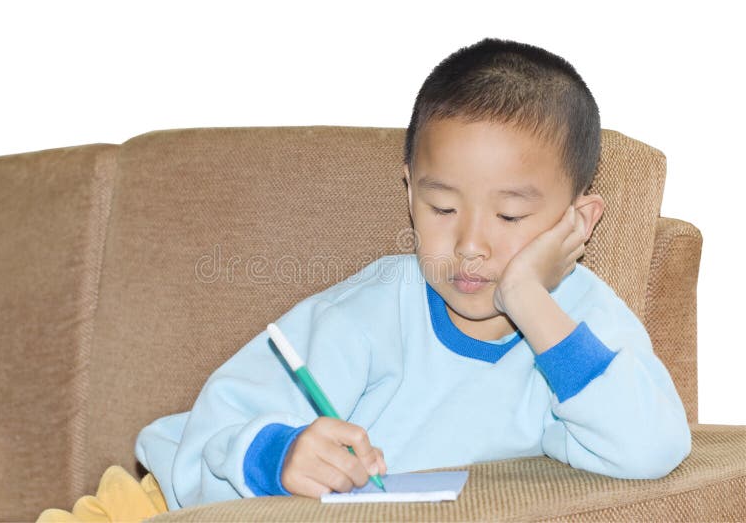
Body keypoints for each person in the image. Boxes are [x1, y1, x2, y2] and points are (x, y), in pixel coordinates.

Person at [37, 37, 691, 520]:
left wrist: (527, 299)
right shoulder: (370, 314)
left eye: (511, 215)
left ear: (578, 220)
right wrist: (281, 455)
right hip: (162, 505)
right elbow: (213, 433)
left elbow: (650, 448)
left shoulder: (581, 325)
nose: (470, 246)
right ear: (409, 194)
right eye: (442, 208)